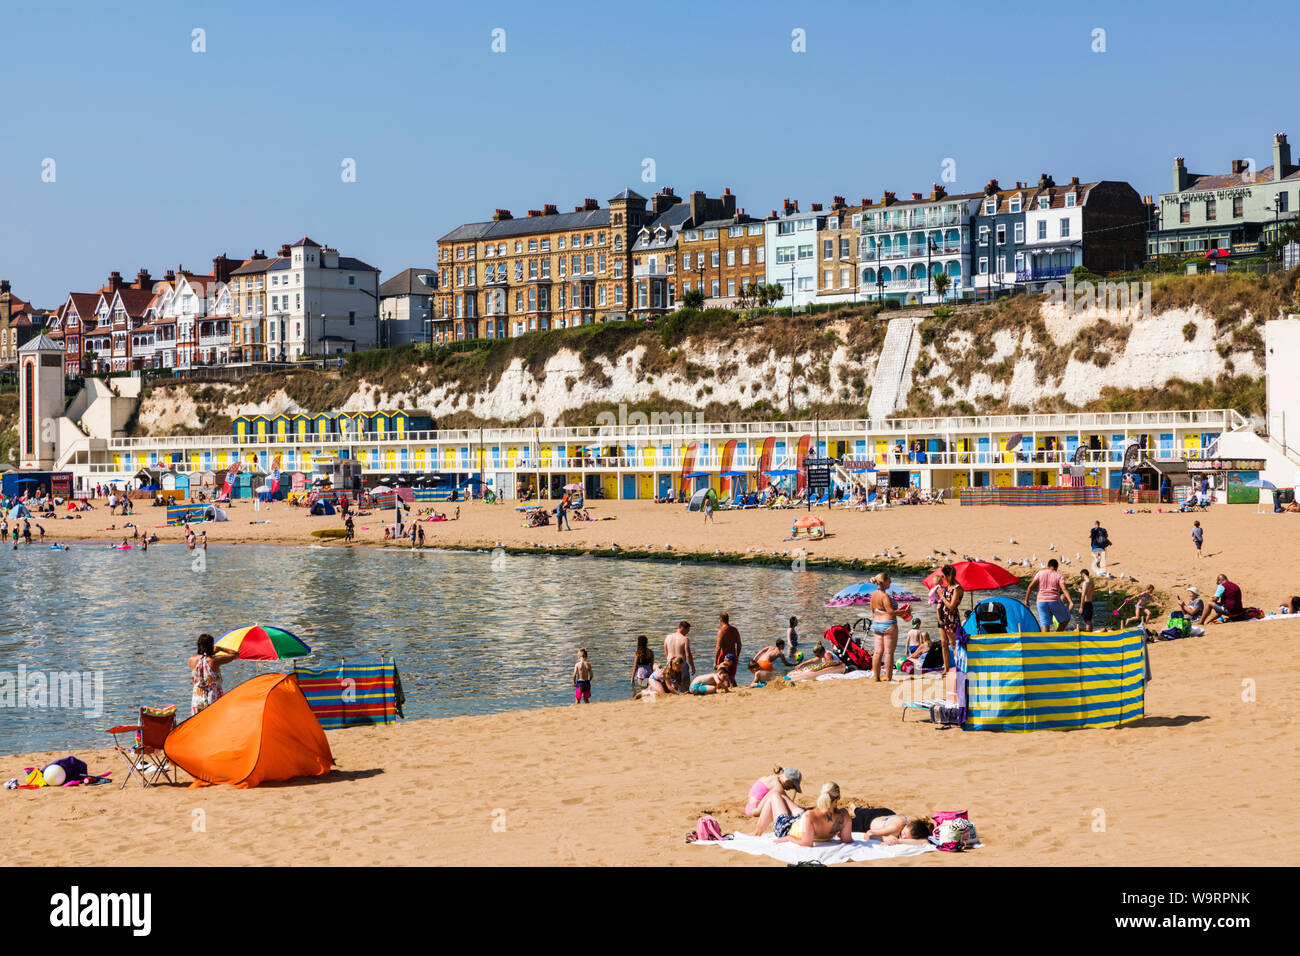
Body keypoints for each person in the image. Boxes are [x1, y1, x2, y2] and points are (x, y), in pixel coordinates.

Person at [775, 782, 853, 847]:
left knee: (775, 795)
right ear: (837, 800)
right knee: (783, 798)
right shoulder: (844, 815)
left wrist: (789, 838)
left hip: (787, 828)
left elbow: (806, 844)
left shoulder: (810, 815)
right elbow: (847, 840)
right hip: (798, 822)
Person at [188, 633, 239, 715]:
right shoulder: (215, 660)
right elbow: (235, 654)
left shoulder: (191, 660)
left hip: (197, 698)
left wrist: (211, 653)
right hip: (213, 698)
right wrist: (221, 649)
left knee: (199, 724)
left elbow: (202, 660)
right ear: (211, 645)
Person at [745, 767, 804, 832]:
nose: (791, 788)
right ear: (786, 780)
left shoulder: (769, 778)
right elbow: (787, 802)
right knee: (778, 797)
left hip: (749, 807)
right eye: (792, 785)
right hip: (755, 811)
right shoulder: (778, 787)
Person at [868, 572, 904, 681]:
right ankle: (888, 677)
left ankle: (876, 677)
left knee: (878, 652)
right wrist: (904, 611)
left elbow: (873, 610)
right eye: (889, 580)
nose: (891, 582)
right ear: (884, 582)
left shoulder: (873, 594)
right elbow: (891, 612)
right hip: (888, 624)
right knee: (888, 652)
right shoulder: (885, 596)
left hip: (877, 624)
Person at [1027, 558, 1073, 631]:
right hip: (1054, 601)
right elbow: (1064, 589)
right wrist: (1070, 601)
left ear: (1048, 566)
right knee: (1066, 619)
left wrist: (1027, 601)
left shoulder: (1040, 573)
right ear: (1057, 567)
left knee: (1045, 625)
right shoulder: (1059, 576)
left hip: (1041, 602)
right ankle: (1057, 636)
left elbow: (1030, 587)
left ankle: (1046, 641)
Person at [935, 564, 964, 675]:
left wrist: (941, 596)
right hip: (943, 616)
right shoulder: (948, 587)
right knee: (943, 643)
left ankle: (959, 669)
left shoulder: (957, 588)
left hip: (951, 617)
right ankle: (946, 669)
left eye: (943, 576)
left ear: (948, 575)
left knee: (953, 644)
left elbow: (952, 606)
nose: (942, 578)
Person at [863, 813, 936, 846]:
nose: (903, 837)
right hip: (867, 819)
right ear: (907, 825)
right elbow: (868, 834)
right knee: (857, 812)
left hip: (888, 814)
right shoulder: (894, 829)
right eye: (903, 833)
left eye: (906, 838)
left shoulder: (912, 826)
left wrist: (900, 841)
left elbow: (925, 841)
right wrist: (884, 838)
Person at [664, 621, 695, 686]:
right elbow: (688, 654)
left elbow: (666, 652)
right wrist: (692, 666)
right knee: (685, 683)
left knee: (672, 683)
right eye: (688, 630)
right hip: (681, 664)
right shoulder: (685, 639)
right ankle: (685, 693)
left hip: (670, 663)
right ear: (683, 628)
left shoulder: (667, 637)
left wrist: (669, 662)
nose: (688, 632)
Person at [714, 613, 741, 681]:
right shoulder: (735, 630)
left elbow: (718, 647)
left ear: (720, 620)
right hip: (733, 656)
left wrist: (715, 662)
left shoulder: (721, 631)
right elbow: (739, 644)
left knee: (721, 676)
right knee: (732, 677)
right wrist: (737, 655)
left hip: (724, 656)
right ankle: (734, 688)